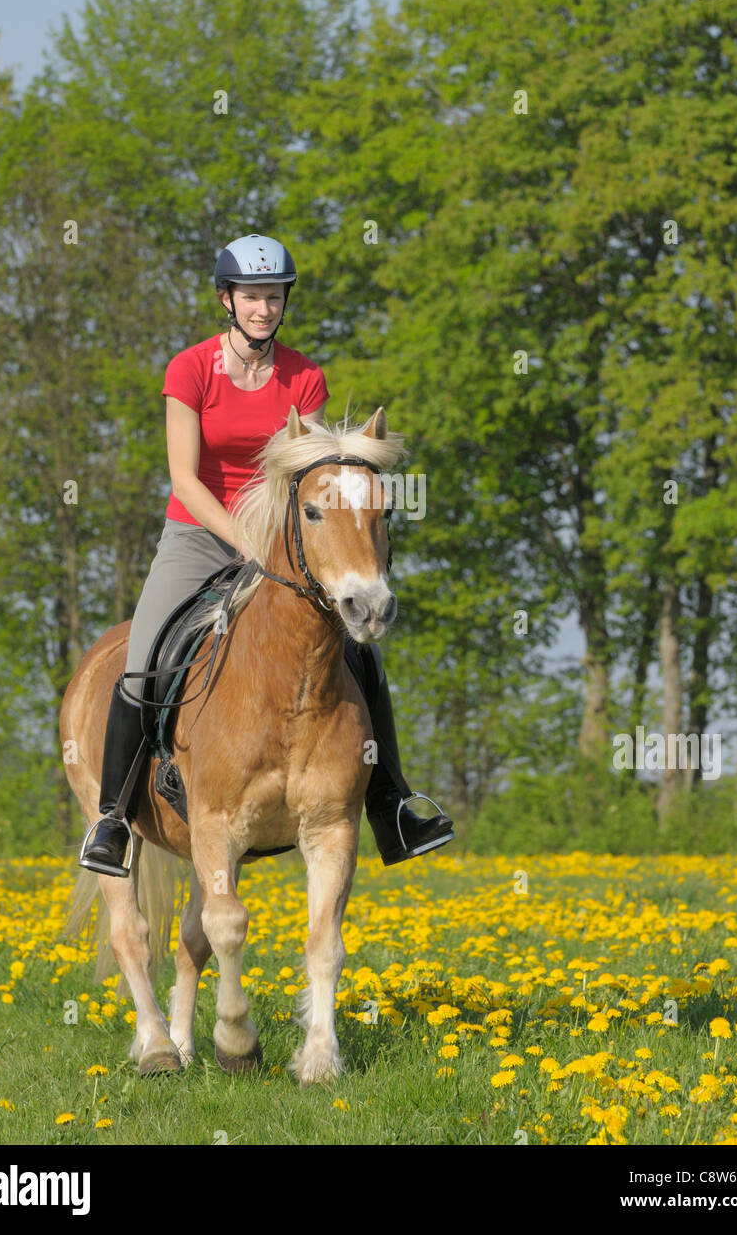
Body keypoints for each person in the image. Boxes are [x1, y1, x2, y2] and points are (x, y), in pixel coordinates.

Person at [79, 233, 455, 877]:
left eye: (273, 296)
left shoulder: (304, 376)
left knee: (362, 656)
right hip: (200, 534)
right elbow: (185, 479)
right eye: (252, 296)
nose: (263, 308)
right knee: (142, 660)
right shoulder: (189, 369)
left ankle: (392, 804)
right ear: (228, 299)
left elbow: (315, 478)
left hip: (286, 540)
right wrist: (241, 537)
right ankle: (113, 819)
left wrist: (291, 537)